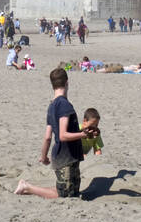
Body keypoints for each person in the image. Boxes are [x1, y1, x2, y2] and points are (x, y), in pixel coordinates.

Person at [15, 66, 92, 199]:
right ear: (67, 82)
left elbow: (47, 137)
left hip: (66, 156)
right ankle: (27, 186)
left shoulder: (52, 106)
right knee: (65, 196)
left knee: (70, 192)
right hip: (65, 157)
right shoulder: (64, 105)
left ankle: (28, 189)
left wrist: (44, 156)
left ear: (52, 85)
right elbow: (62, 135)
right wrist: (83, 135)